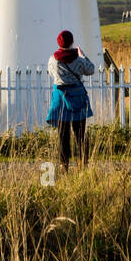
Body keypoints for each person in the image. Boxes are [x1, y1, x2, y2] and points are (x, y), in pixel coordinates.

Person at [46, 30, 94, 172]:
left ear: (59, 43)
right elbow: (90, 70)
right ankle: (82, 164)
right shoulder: (78, 60)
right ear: (71, 42)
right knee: (80, 134)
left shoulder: (53, 59)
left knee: (63, 135)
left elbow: (50, 73)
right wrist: (83, 55)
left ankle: (63, 165)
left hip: (61, 100)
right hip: (77, 99)